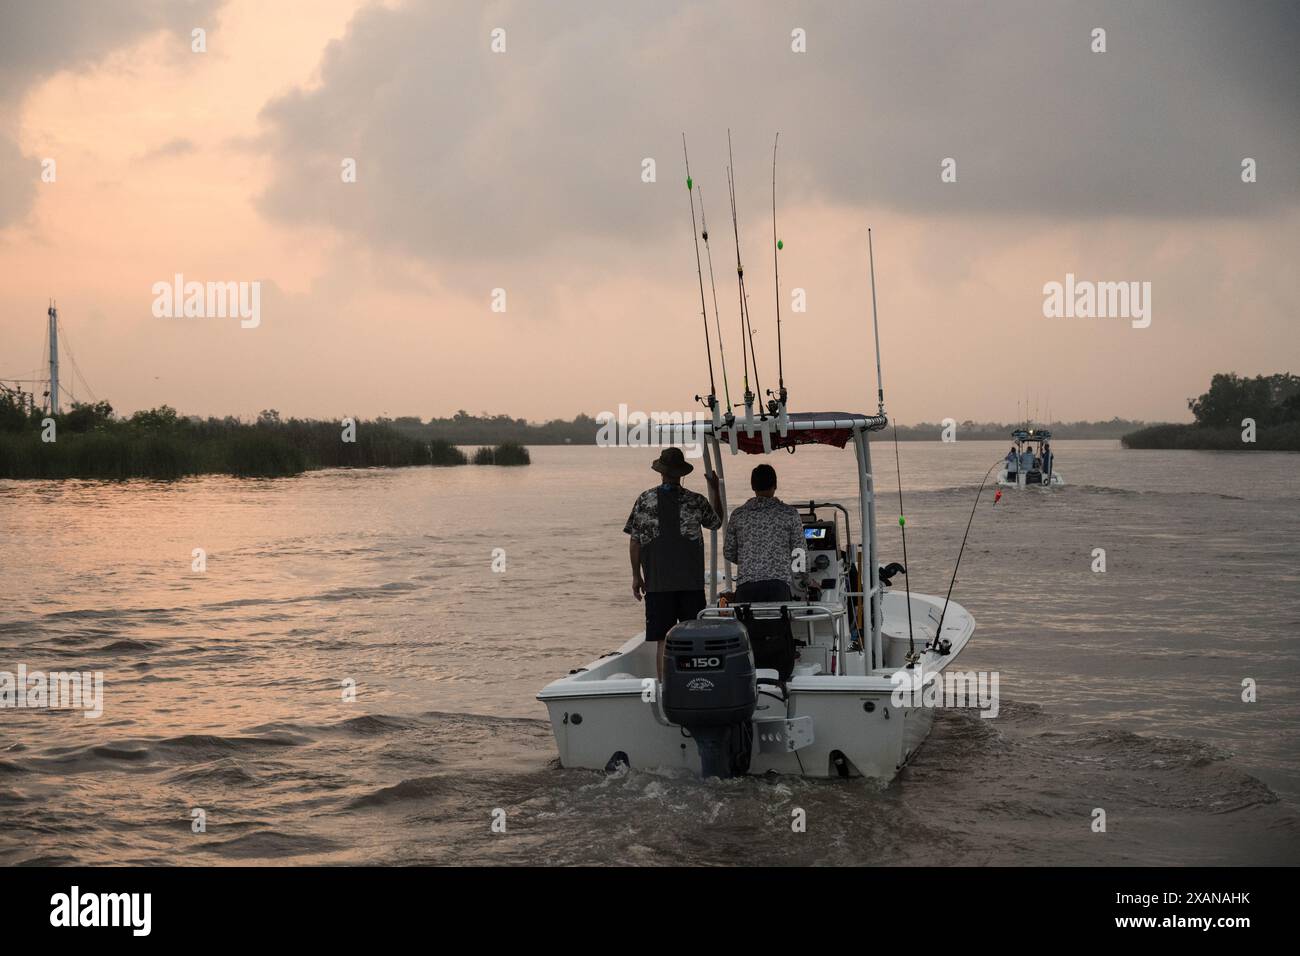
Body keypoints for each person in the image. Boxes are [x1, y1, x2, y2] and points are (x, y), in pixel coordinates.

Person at [624, 447, 722, 679]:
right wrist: (715, 490)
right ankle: (693, 682)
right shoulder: (695, 501)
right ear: (681, 473)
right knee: (692, 637)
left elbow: (635, 542)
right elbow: (716, 522)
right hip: (691, 583)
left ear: (661, 472)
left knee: (663, 641)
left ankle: (665, 686)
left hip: (658, 583)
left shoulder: (644, 500)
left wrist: (636, 576)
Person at [723, 464, 805, 603]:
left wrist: (748, 559)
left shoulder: (739, 514)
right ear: (775, 485)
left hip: (746, 587)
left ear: (753, 486)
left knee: (748, 625)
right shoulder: (789, 513)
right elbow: (799, 552)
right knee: (777, 625)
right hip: (778, 587)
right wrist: (805, 580)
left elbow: (729, 551)